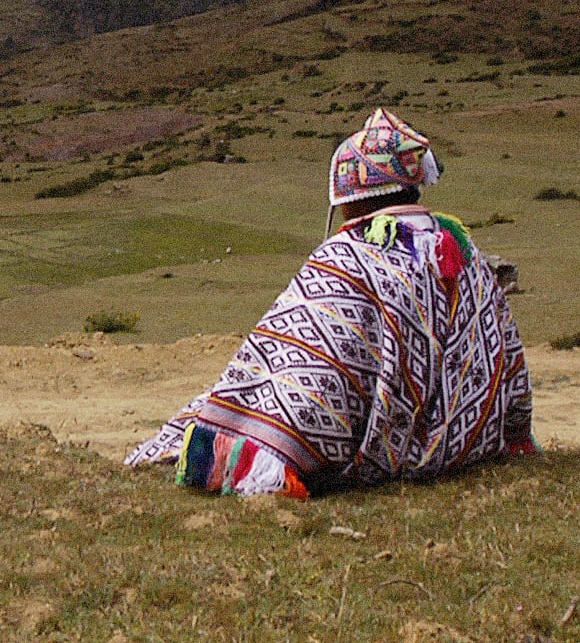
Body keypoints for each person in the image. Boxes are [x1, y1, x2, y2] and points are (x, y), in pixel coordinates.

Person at [125, 108, 534, 496]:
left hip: (385, 450)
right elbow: (506, 351)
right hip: (470, 442)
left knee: (234, 409)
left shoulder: (348, 256)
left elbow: (304, 370)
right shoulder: (459, 247)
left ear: (352, 196)